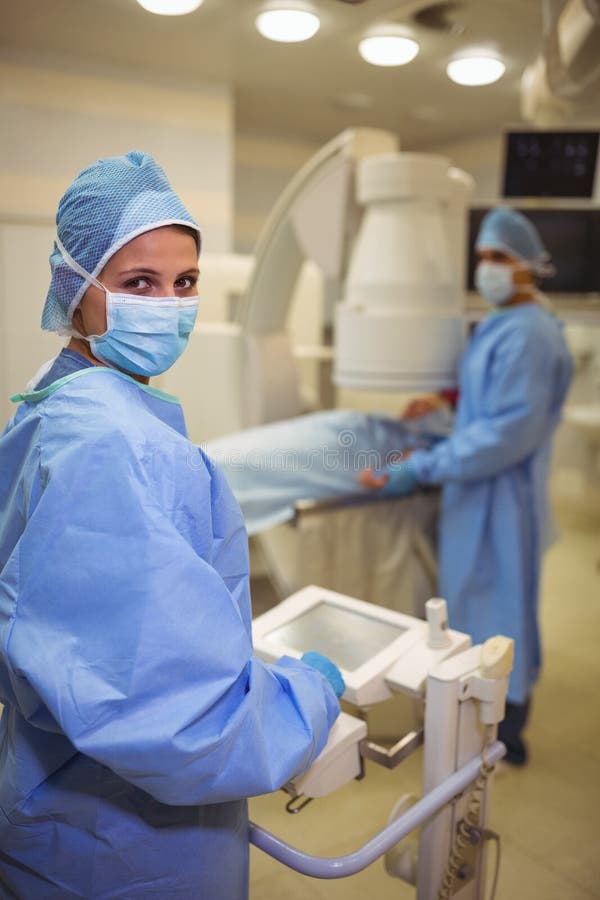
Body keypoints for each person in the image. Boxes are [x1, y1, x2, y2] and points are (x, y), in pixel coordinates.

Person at [0, 151, 345, 899]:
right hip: (123, 838)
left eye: (185, 282)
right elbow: (181, 722)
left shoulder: (59, 399)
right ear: (74, 290)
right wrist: (307, 698)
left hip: (58, 796)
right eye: (138, 283)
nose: (169, 304)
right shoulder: (114, 444)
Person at [360, 207, 573, 765]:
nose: (487, 268)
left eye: (498, 257)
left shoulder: (531, 335)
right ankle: (476, 716)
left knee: (499, 610)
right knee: (476, 608)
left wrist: (418, 467)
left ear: (528, 264)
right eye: (482, 257)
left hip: (500, 497)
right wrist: (443, 401)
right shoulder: (506, 322)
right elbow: (487, 399)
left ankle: (505, 727)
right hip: (476, 492)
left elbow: (505, 434)